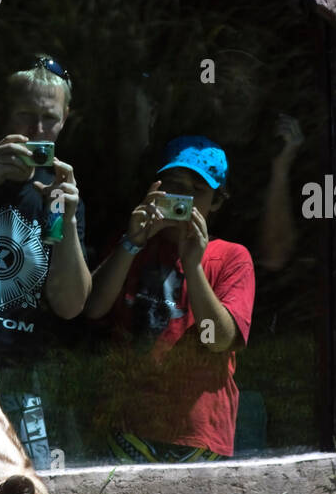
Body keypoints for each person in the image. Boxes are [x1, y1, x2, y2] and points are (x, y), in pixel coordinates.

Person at [83, 136, 254, 461]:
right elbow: (94, 308)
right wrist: (132, 242)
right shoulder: (133, 246)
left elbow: (220, 340)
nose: (183, 199)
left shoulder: (231, 257)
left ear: (217, 202)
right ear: (156, 188)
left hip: (198, 431)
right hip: (129, 422)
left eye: (197, 191)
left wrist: (193, 265)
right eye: (174, 186)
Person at [0, 55, 92, 469]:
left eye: (49, 118)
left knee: (32, 484)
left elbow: (70, 305)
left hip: (23, 372)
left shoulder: (59, 196)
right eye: (25, 116)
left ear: (66, 120)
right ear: (1, 113)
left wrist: (65, 218)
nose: (36, 131)